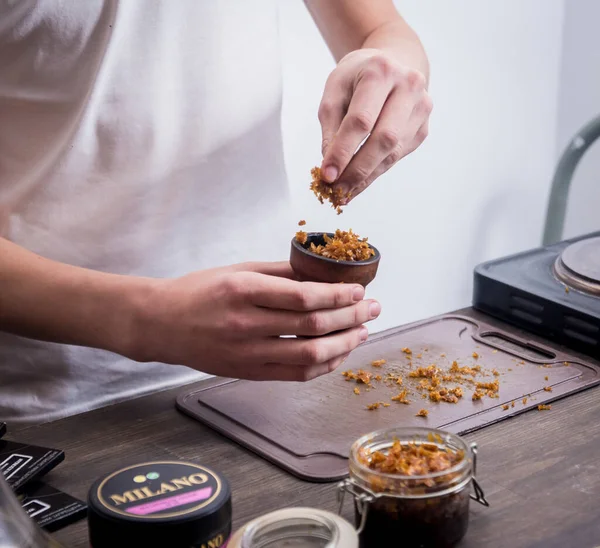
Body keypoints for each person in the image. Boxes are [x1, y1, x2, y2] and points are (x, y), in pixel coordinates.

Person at [0, 0, 432, 425]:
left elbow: (380, 28)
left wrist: (388, 69)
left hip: (266, 376)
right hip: (60, 401)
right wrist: (147, 320)